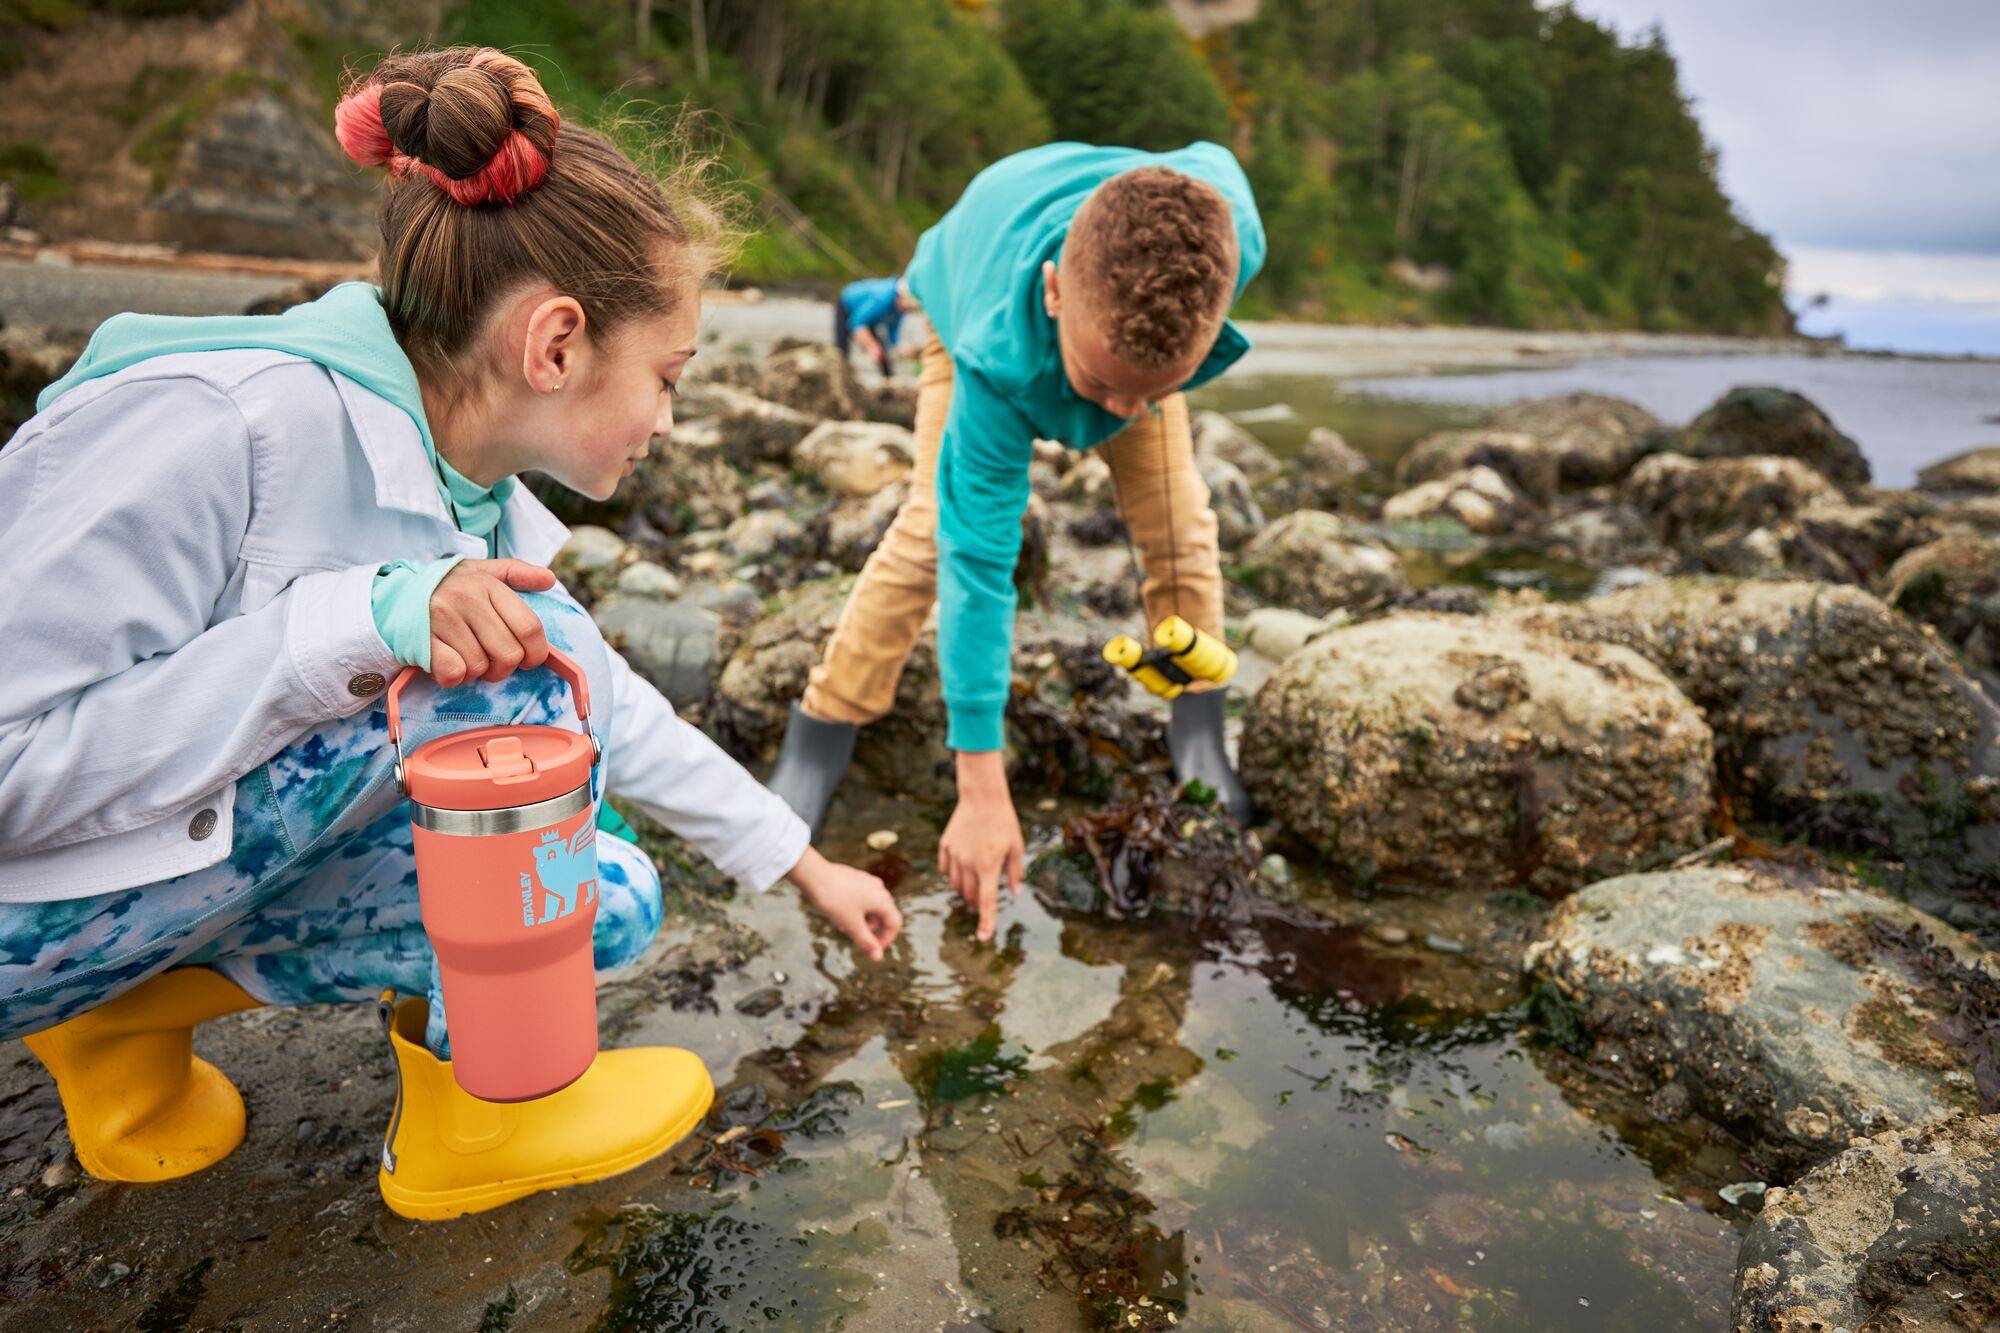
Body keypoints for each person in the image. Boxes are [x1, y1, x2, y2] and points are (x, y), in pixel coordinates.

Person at [0, 46, 901, 1221]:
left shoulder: (462, 483)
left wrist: (800, 860)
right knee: (496, 696)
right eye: (668, 377)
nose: (671, 421)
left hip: (119, 886)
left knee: (601, 894)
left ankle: (125, 1024)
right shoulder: (218, 423)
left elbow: (602, 692)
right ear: (556, 345)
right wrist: (351, 625)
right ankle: (486, 1120)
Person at [767, 142, 1264, 941]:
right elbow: (980, 565)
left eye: (1153, 394)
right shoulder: (994, 353)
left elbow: (1210, 160)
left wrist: (1133, 387)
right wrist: (981, 780)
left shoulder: (1222, 243)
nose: (1119, 417)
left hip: (1102, 292)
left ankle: (1198, 726)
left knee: (1181, 524)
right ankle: (819, 733)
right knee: (931, 533)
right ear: (1056, 291)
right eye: (1101, 389)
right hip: (968, 273)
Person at [834, 275, 916, 376]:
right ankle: (841, 376)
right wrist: (871, 346)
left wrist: (898, 346)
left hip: (867, 319)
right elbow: (857, 323)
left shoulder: (900, 308)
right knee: (842, 349)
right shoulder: (882, 298)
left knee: (882, 352)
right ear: (900, 296)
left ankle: (889, 381)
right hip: (847, 305)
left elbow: (893, 330)